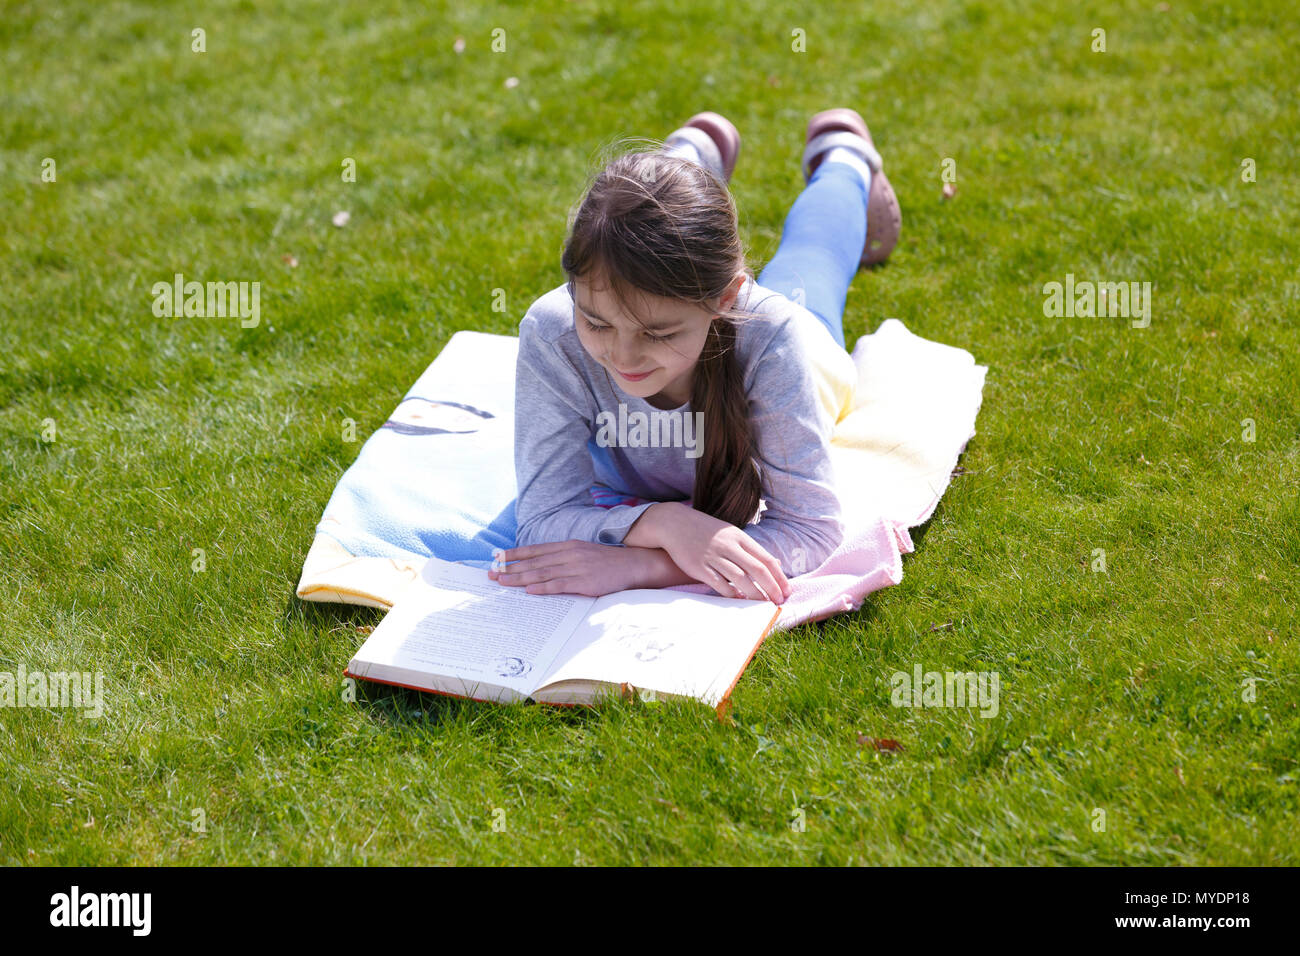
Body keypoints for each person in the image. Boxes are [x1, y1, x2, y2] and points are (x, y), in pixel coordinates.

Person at [488, 108, 902, 604]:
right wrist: (663, 521)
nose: (622, 356)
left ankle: (844, 158)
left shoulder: (773, 336)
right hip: (684, 276)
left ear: (726, 297)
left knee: (811, 261)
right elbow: (541, 521)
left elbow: (812, 530)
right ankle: (693, 151)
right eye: (596, 322)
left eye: (657, 333)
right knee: (634, 209)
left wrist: (649, 561)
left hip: (804, 353)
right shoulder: (553, 332)